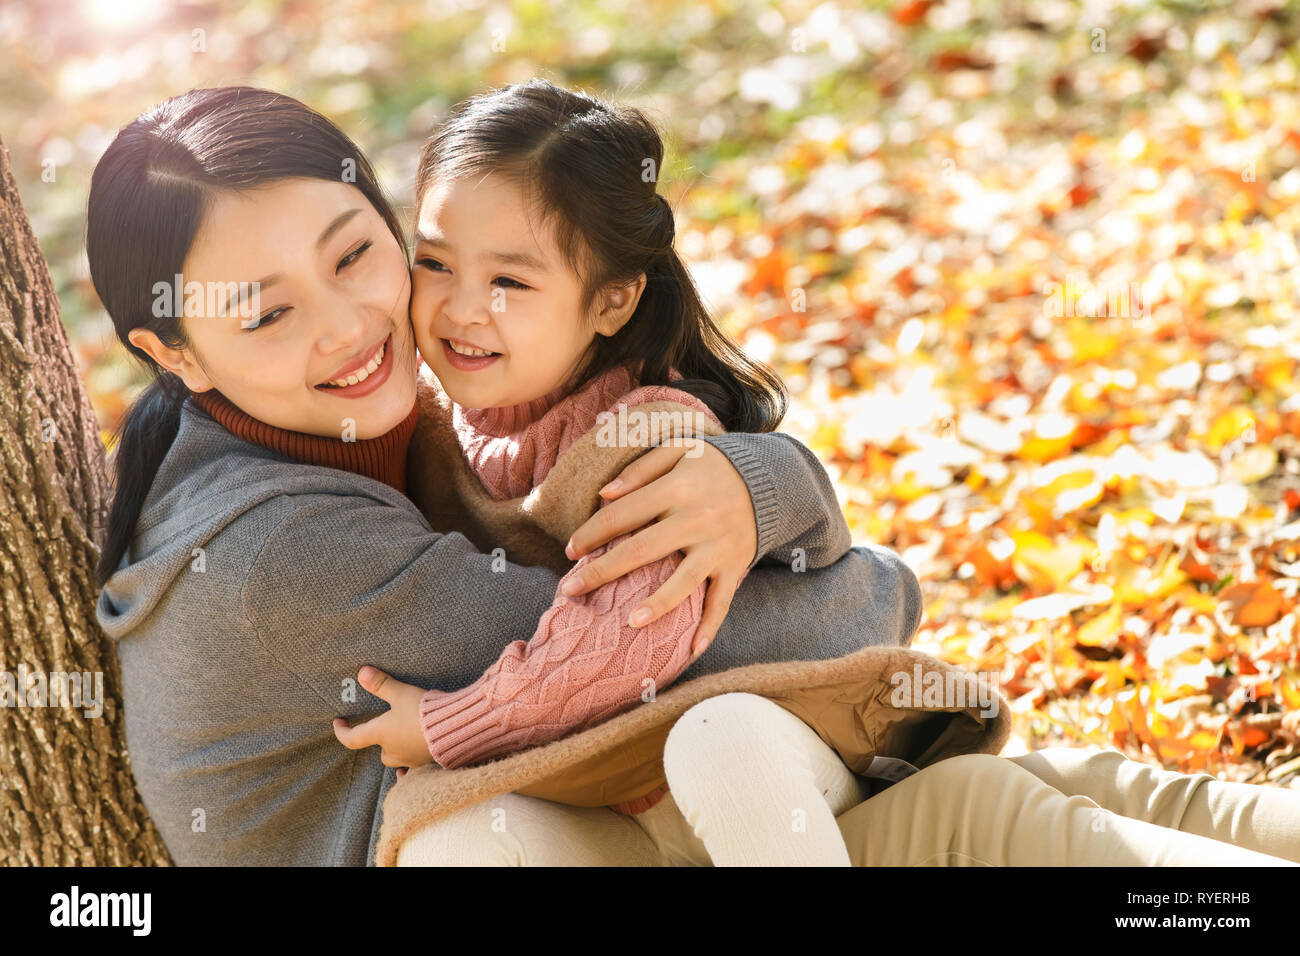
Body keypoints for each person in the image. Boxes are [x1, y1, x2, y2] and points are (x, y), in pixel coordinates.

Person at [332, 81, 1300, 868]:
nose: (461, 309)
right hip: (615, 811)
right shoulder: (423, 424)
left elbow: (619, 646)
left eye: (509, 281)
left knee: (720, 743)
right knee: (452, 838)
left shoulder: (649, 445)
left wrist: (453, 722)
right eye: (434, 263)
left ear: (613, 299)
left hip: (765, 768)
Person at [89, 86, 921, 867]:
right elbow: (639, 653)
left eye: (351, 256)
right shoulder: (278, 553)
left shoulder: (407, 422)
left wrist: (755, 480)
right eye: (268, 314)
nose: (346, 328)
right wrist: (867, 577)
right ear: (175, 354)